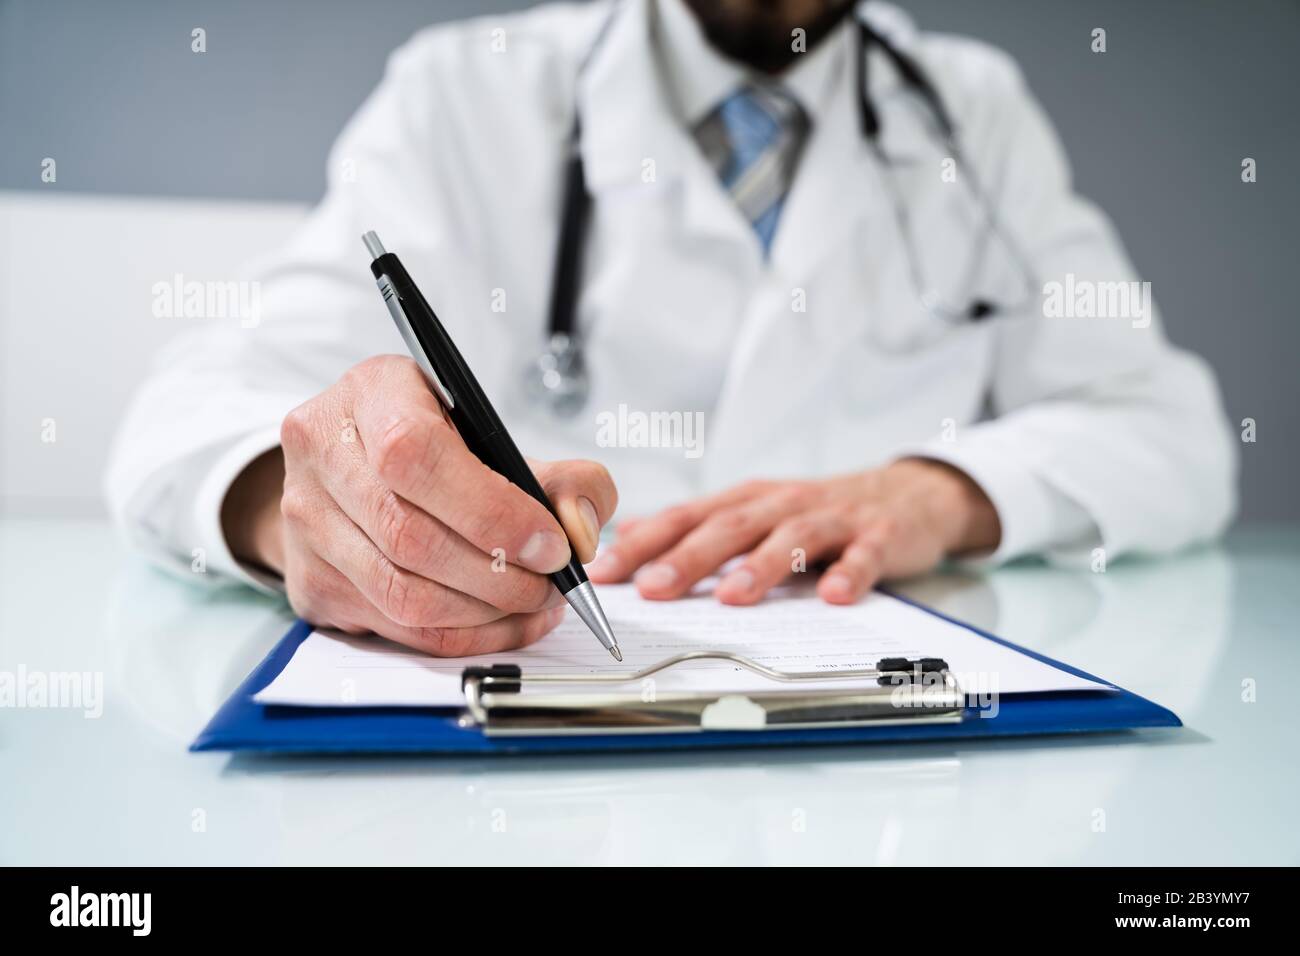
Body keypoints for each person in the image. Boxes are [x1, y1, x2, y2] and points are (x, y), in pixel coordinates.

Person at [106, 0, 1236, 657]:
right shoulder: (466, 91)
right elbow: (191, 414)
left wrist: (936, 489)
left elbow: (1172, 431)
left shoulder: (970, 110)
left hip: (888, 782)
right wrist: (299, 501)